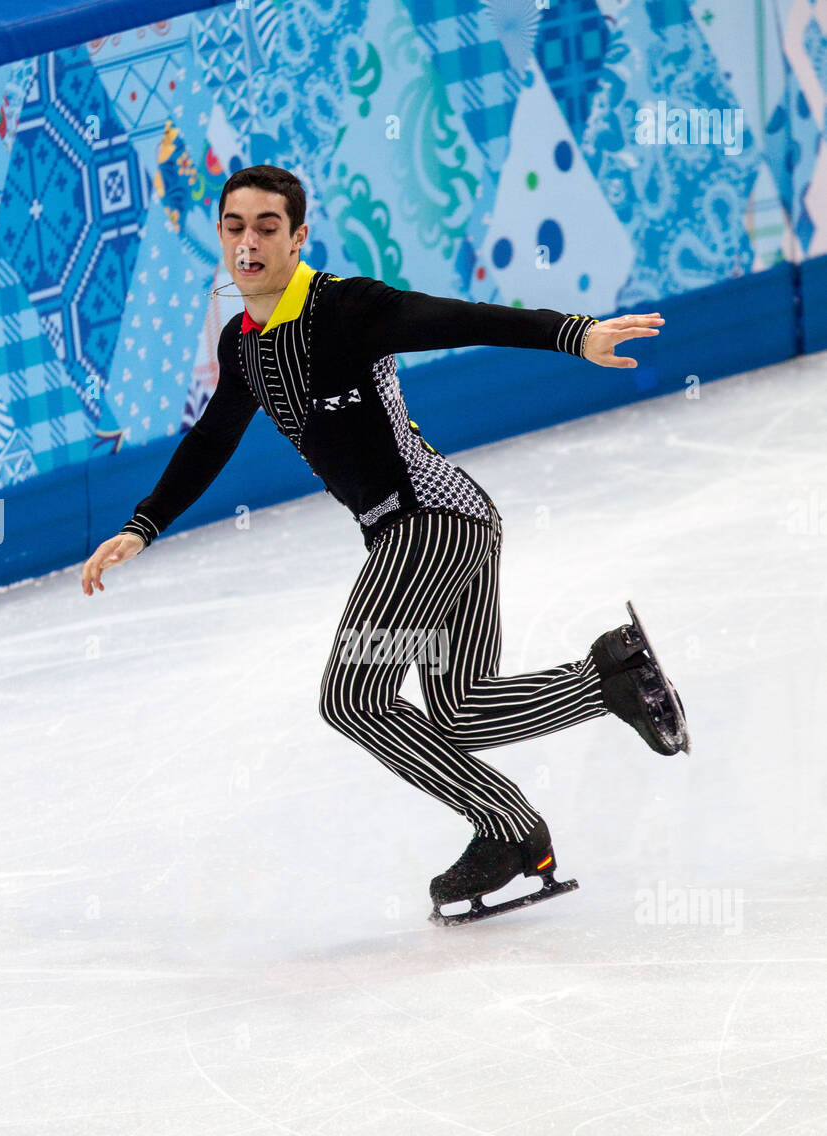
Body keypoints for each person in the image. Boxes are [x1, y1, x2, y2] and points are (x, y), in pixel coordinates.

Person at [81, 165, 685, 921]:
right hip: (441, 524)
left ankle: (509, 828)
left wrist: (574, 334)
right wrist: (144, 524)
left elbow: (462, 317)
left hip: (429, 522)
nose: (248, 242)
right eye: (234, 226)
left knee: (352, 695)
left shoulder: (346, 307)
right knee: (460, 709)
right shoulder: (243, 347)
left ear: (298, 237)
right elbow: (210, 440)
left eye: (267, 226)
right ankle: (611, 678)